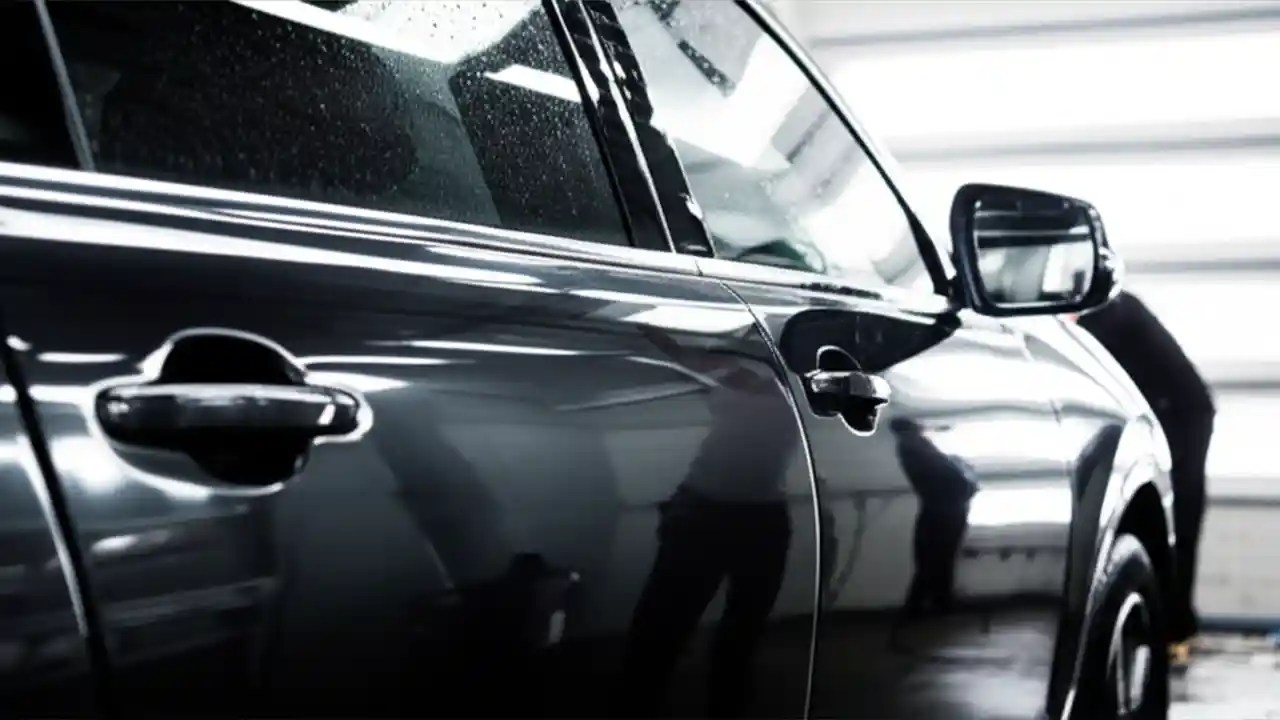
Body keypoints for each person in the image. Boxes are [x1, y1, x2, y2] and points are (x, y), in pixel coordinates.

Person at [1072, 289, 1215, 668]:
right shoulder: (1101, 310)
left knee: (1177, 527)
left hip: (1182, 419)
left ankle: (1175, 632)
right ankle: (1171, 628)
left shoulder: (1110, 311)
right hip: (1166, 415)